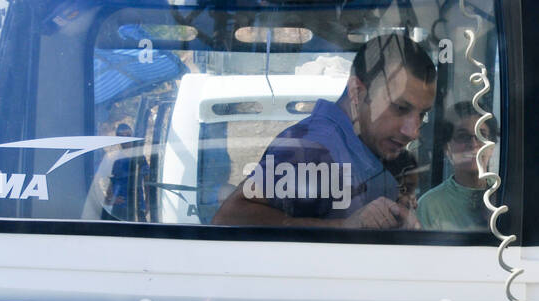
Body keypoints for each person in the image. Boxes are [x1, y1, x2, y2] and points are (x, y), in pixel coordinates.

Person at [212, 32, 436, 229]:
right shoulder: (313, 149)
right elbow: (229, 217)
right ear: (357, 92)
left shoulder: (361, 146)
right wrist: (345, 227)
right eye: (399, 108)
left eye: (422, 115)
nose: (413, 131)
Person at [417, 101, 498, 231]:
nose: (473, 144)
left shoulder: (505, 193)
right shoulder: (430, 206)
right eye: (463, 136)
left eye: (481, 135)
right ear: (447, 148)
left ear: (492, 146)